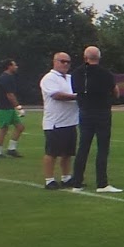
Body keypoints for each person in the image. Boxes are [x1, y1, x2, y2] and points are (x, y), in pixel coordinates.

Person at [64, 45, 121, 193]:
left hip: (85, 112)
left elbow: (76, 91)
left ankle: (77, 182)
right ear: (99, 57)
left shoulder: (76, 73)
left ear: (85, 57)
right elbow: (115, 91)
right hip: (102, 112)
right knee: (102, 148)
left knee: (83, 147)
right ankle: (102, 183)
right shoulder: (106, 73)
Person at [39, 52, 78, 189]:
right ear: (55, 62)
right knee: (52, 153)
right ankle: (49, 180)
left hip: (70, 121)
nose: (65, 64)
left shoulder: (70, 78)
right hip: (55, 123)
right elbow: (56, 95)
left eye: (68, 62)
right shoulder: (49, 78)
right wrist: (77, 97)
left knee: (67, 153)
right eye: (62, 61)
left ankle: (66, 178)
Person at [0, 58, 25, 158]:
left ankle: (11, 149)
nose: (16, 67)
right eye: (14, 65)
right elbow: (10, 94)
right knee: (3, 129)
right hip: (3, 107)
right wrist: (18, 107)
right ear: (9, 66)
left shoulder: (9, 77)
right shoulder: (5, 78)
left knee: (20, 127)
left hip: (9, 107)